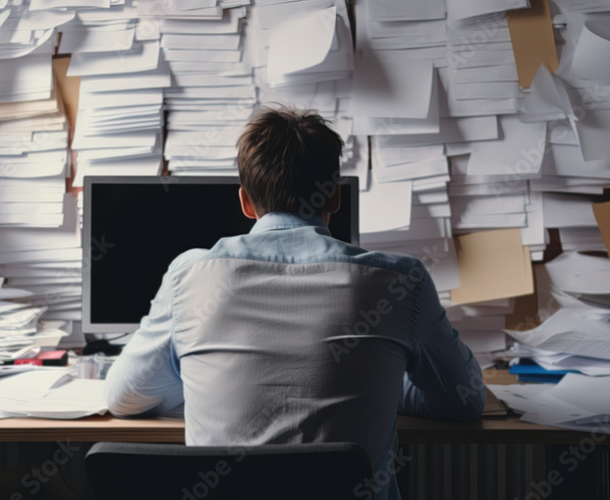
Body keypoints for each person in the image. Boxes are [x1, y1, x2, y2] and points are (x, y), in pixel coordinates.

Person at [104, 107, 484, 500]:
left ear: (246, 203)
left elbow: (123, 397)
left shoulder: (189, 275)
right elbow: (464, 400)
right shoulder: (402, 282)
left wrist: (198, 380)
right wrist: (384, 380)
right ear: (334, 194)